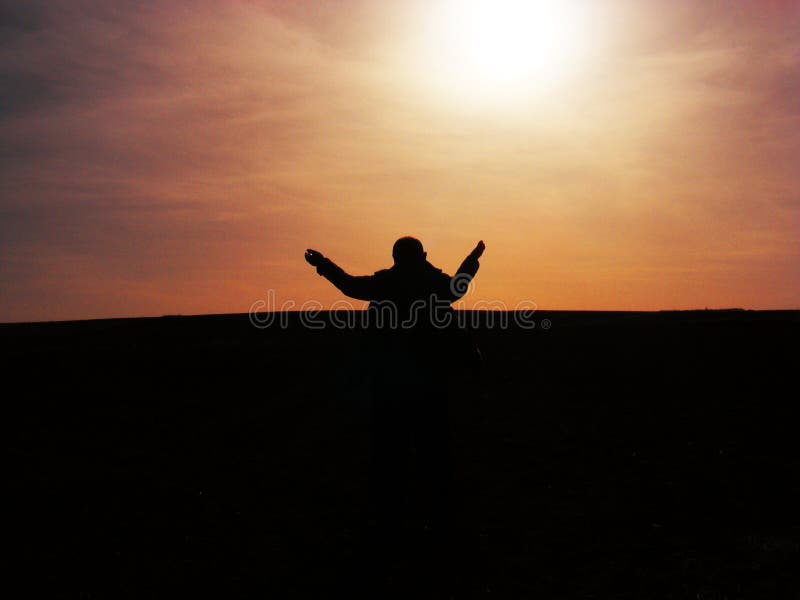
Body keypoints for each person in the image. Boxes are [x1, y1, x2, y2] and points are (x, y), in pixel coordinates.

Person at [304, 237, 485, 574]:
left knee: (390, 455)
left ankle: (390, 520)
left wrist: (322, 264)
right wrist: (472, 260)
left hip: (390, 383)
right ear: (423, 255)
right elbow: (457, 289)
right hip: (429, 383)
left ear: (395, 256)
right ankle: (438, 518)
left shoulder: (385, 283)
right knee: (434, 451)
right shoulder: (434, 283)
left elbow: (348, 286)